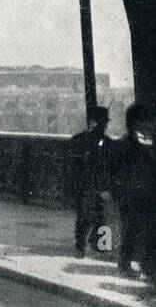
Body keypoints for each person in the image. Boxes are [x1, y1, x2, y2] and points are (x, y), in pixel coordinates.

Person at [110, 103, 156, 279]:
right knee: (132, 229)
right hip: (132, 195)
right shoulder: (124, 145)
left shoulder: (149, 143)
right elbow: (115, 172)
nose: (149, 125)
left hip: (149, 193)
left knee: (150, 231)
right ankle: (125, 264)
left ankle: (148, 267)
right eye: (144, 122)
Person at [64, 106, 111, 256]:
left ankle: (88, 247)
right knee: (89, 217)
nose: (105, 126)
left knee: (94, 217)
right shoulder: (104, 142)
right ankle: (91, 246)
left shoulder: (79, 140)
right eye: (103, 122)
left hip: (91, 186)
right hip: (87, 185)